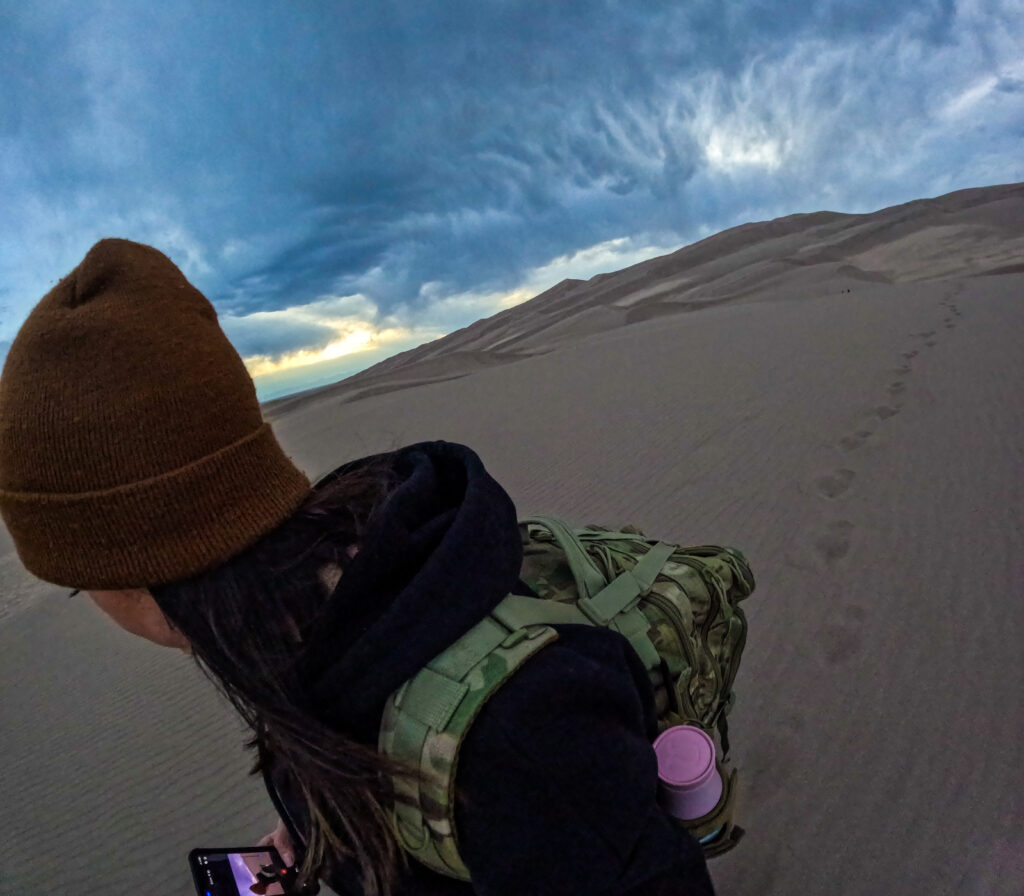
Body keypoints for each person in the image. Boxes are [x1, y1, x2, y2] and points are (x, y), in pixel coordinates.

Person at [0, 239, 716, 896]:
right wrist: (322, 841)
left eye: (77, 578)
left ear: (136, 572)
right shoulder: (311, 619)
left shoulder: (523, 739)